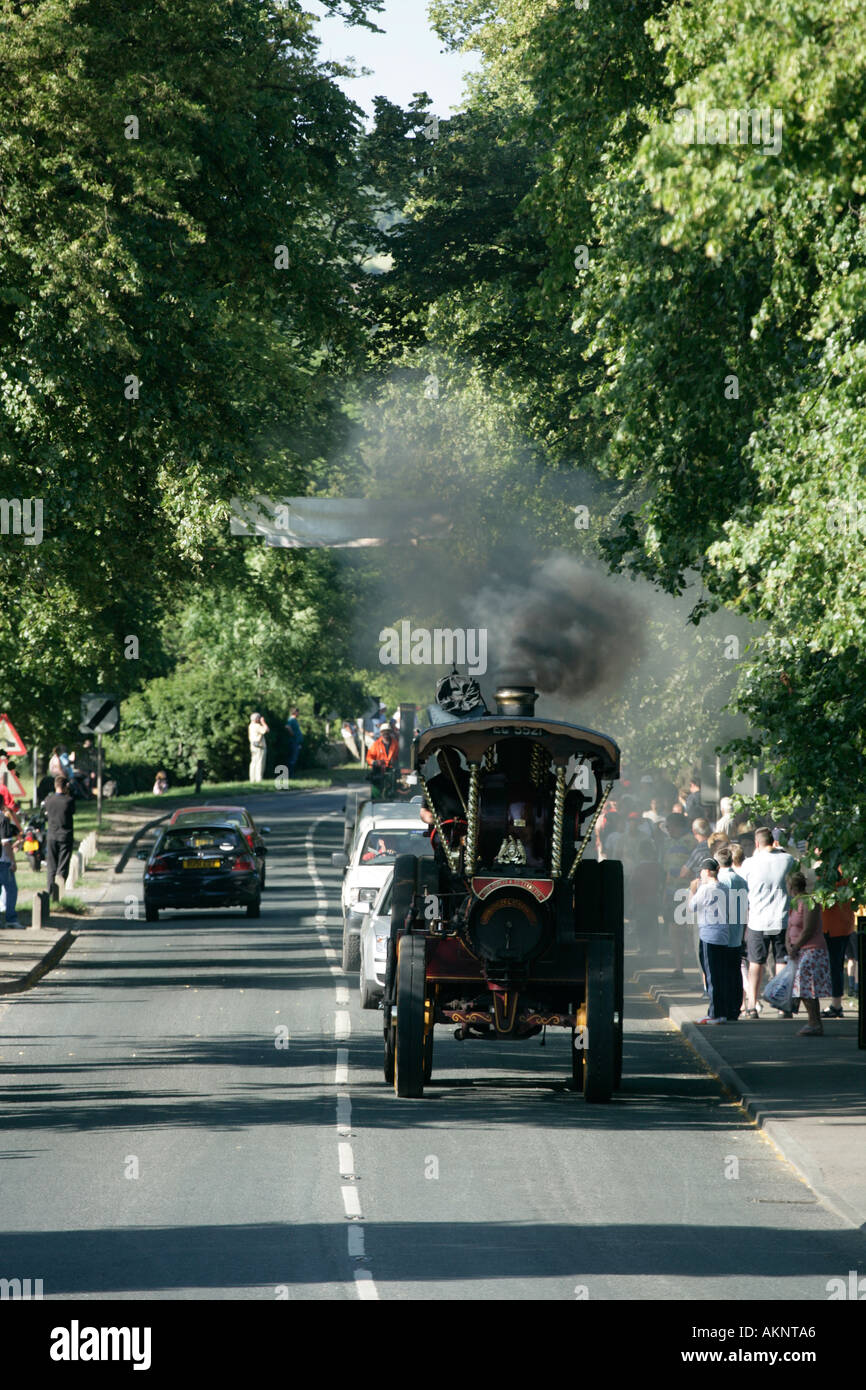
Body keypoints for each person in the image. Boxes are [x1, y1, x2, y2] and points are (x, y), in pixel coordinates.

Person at [740, 827, 797, 1018]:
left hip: (757, 920)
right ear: (774, 841)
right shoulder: (787, 860)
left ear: (756, 843)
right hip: (781, 918)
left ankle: (752, 1004)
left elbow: (743, 885)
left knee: (755, 962)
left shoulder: (749, 863)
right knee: (781, 960)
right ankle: (782, 1005)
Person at [786, 871, 831, 1036]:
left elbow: (808, 929)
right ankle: (814, 1022)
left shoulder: (808, 901)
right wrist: (789, 945)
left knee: (807, 988)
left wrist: (796, 946)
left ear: (791, 886)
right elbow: (790, 926)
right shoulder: (795, 902)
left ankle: (814, 1022)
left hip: (812, 950)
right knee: (804, 989)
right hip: (800, 951)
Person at [688, 858, 733, 1023]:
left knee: (711, 976)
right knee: (720, 974)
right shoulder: (725, 888)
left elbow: (691, 907)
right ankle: (721, 1011)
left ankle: (715, 1013)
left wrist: (693, 891)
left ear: (706, 871)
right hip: (723, 935)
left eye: (701, 871)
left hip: (708, 935)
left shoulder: (704, 889)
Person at [715, 845, 749, 1019]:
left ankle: (725, 1007)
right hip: (737, 931)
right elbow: (744, 909)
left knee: (723, 972)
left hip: (722, 933)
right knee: (735, 972)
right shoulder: (741, 880)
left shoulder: (720, 880)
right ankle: (735, 1008)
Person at [821, 880, 855, 1019]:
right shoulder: (845, 869)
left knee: (834, 965)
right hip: (843, 922)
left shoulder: (830, 872)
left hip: (832, 925)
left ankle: (836, 1005)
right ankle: (836, 1004)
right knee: (836, 964)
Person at [43, 775, 76, 896]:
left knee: (51, 865)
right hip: (65, 836)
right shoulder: (69, 800)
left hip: (51, 835)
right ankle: (60, 892)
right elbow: (72, 812)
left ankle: (50, 892)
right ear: (66, 786)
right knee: (63, 865)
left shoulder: (48, 800)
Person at [0, 794, 23, 928]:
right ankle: (11, 919)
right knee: (11, 889)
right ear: (2, 803)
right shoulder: (3, 819)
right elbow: (6, 843)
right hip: (3, 860)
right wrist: (13, 861)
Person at [248, 713, 269, 783]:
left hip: (253, 746)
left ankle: (252, 779)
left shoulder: (250, 726)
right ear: (257, 719)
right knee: (260, 762)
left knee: (253, 762)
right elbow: (266, 730)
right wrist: (263, 722)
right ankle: (258, 779)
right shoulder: (257, 726)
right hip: (260, 746)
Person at [285, 706, 304, 777]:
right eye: (297, 711)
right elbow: (287, 726)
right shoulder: (291, 719)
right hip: (293, 742)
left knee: (294, 758)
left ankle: (292, 773)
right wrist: (292, 734)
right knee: (292, 759)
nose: (298, 713)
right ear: (295, 712)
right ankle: (290, 774)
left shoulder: (294, 720)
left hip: (297, 742)